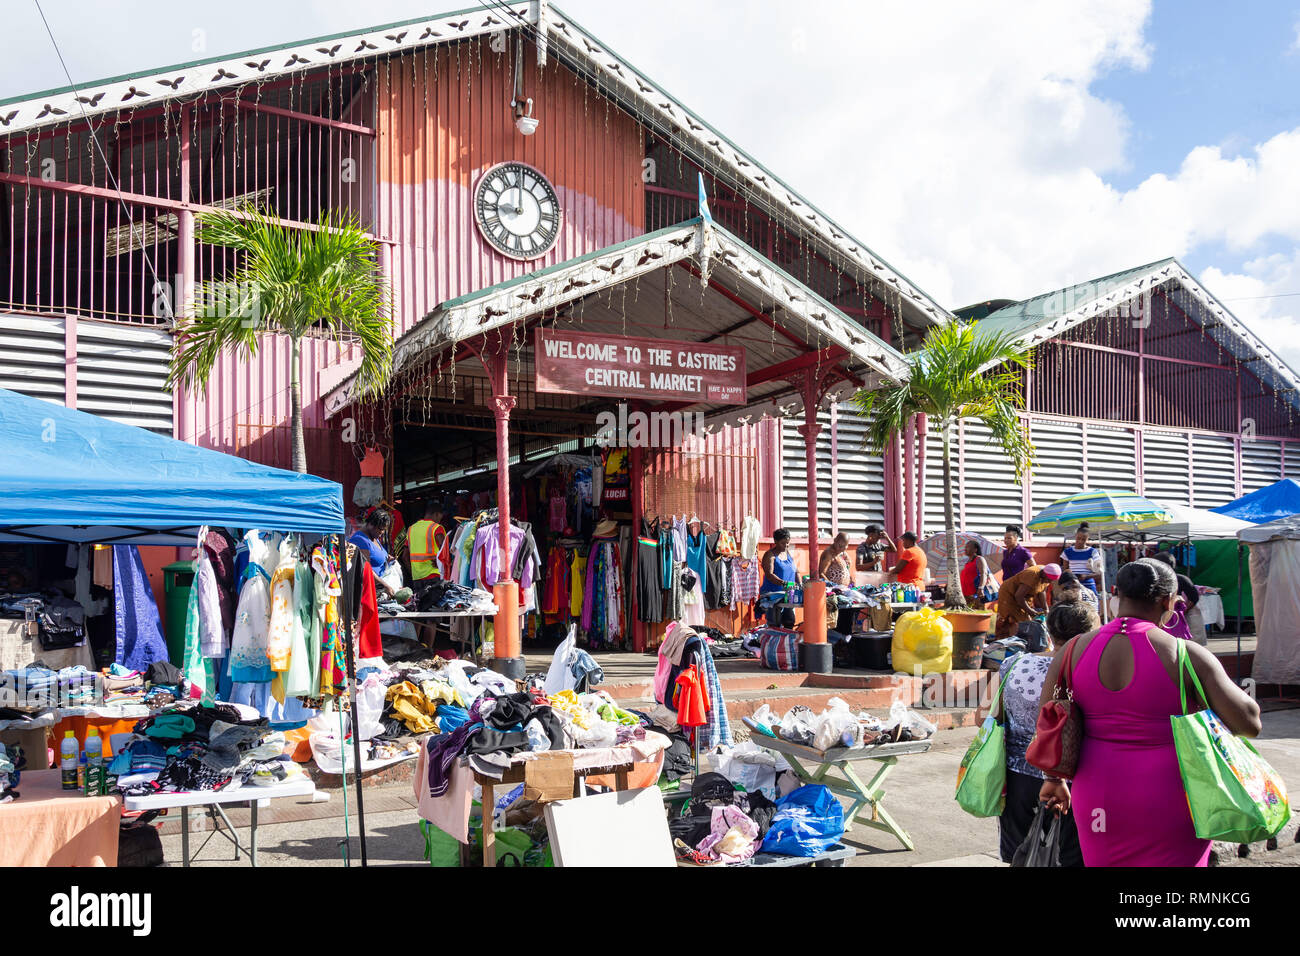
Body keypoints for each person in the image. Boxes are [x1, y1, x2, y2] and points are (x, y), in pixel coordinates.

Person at [1039, 559, 1261, 866]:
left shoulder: (1072, 649)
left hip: (1098, 791)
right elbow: (1249, 723)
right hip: (1174, 792)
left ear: (1116, 595)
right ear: (1169, 601)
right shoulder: (1186, 654)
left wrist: (1053, 778)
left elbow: (1047, 719)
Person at [977, 600, 1097, 866]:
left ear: (1048, 631)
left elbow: (982, 717)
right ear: (1090, 632)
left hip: (1017, 777)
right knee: (1072, 857)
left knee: (1021, 855)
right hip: (1072, 779)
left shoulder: (1013, 664)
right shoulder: (1093, 671)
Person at [1149, 551, 1204, 645]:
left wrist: (1183, 610)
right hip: (1163, 619)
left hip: (1178, 620)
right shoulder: (1155, 580)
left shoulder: (1180, 579)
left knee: (1181, 645)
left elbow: (1194, 597)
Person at [994, 563, 1060, 639]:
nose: (1049, 582)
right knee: (1011, 619)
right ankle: (1004, 640)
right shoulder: (1032, 575)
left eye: (1051, 580)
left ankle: (1015, 639)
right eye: (1048, 579)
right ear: (1044, 573)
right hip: (1009, 595)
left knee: (1024, 620)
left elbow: (1042, 591)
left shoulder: (1047, 576)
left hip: (1023, 596)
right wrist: (1029, 610)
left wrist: (1045, 608)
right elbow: (1018, 596)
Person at [761, 528, 799, 627]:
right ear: (775, 541)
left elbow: (795, 570)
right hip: (773, 594)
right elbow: (769, 575)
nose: (786, 546)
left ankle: (787, 641)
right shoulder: (770, 555)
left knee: (789, 620)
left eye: (787, 543)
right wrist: (784, 583)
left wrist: (800, 583)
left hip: (789, 592)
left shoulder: (788, 553)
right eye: (783, 543)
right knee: (774, 623)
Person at [819, 532, 855, 635]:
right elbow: (821, 573)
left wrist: (850, 578)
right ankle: (838, 646)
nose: (843, 548)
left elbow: (845, 569)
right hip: (834, 594)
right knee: (838, 625)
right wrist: (833, 587)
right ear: (834, 541)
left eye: (845, 546)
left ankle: (845, 646)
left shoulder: (843, 553)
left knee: (847, 623)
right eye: (840, 545)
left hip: (845, 592)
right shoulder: (828, 553)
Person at [408, 500, 449, 584]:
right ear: (437, 514)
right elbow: (445, 552)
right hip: (434, 574)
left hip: (416, 577)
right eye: (440, 517)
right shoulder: (437, 528)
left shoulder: (411, 529)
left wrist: (412, 573)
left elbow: (405, 556)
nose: (440, 520)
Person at [1060, 523, 1101, 594]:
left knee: (1091, 604)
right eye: (1078, 538)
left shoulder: (1093, 552)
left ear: (1087, 539)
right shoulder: (1067, 552)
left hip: (1088, 585)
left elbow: (1100, 573)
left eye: (1083, 539)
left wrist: (1086, 576)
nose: (1080, 541)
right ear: (1075, 536)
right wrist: (1071, 576)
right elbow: (1065, 570)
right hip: (1073, 586)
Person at [959, 540, 994, 607]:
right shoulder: (967, 562)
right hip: (966, 595)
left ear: (975, 549)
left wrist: (981, 588)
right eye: (965, 547)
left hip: (976, 594)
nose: (965, 549)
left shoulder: (979, 559)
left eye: (968, 547)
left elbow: (984, 574)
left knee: (976, 612)